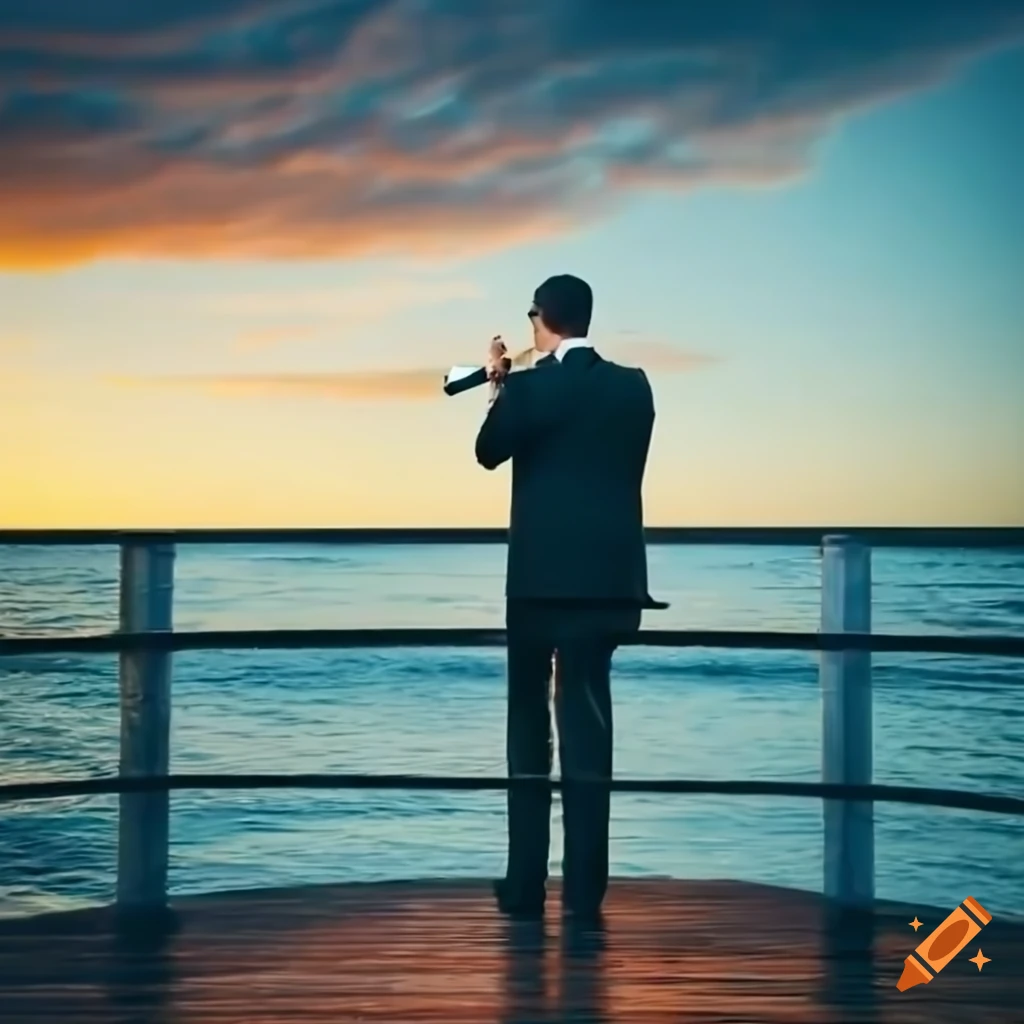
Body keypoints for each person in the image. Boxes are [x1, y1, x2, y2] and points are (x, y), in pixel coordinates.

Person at [475, 273, 657, 921]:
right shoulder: (634, 387)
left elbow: (487, 452)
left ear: (539, 319)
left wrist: (499, 385)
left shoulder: (529, 388)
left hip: (536, 586)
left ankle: (526, 888)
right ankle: (585, 891)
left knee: (528, 732)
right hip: (607, 585)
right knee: (589, 732)